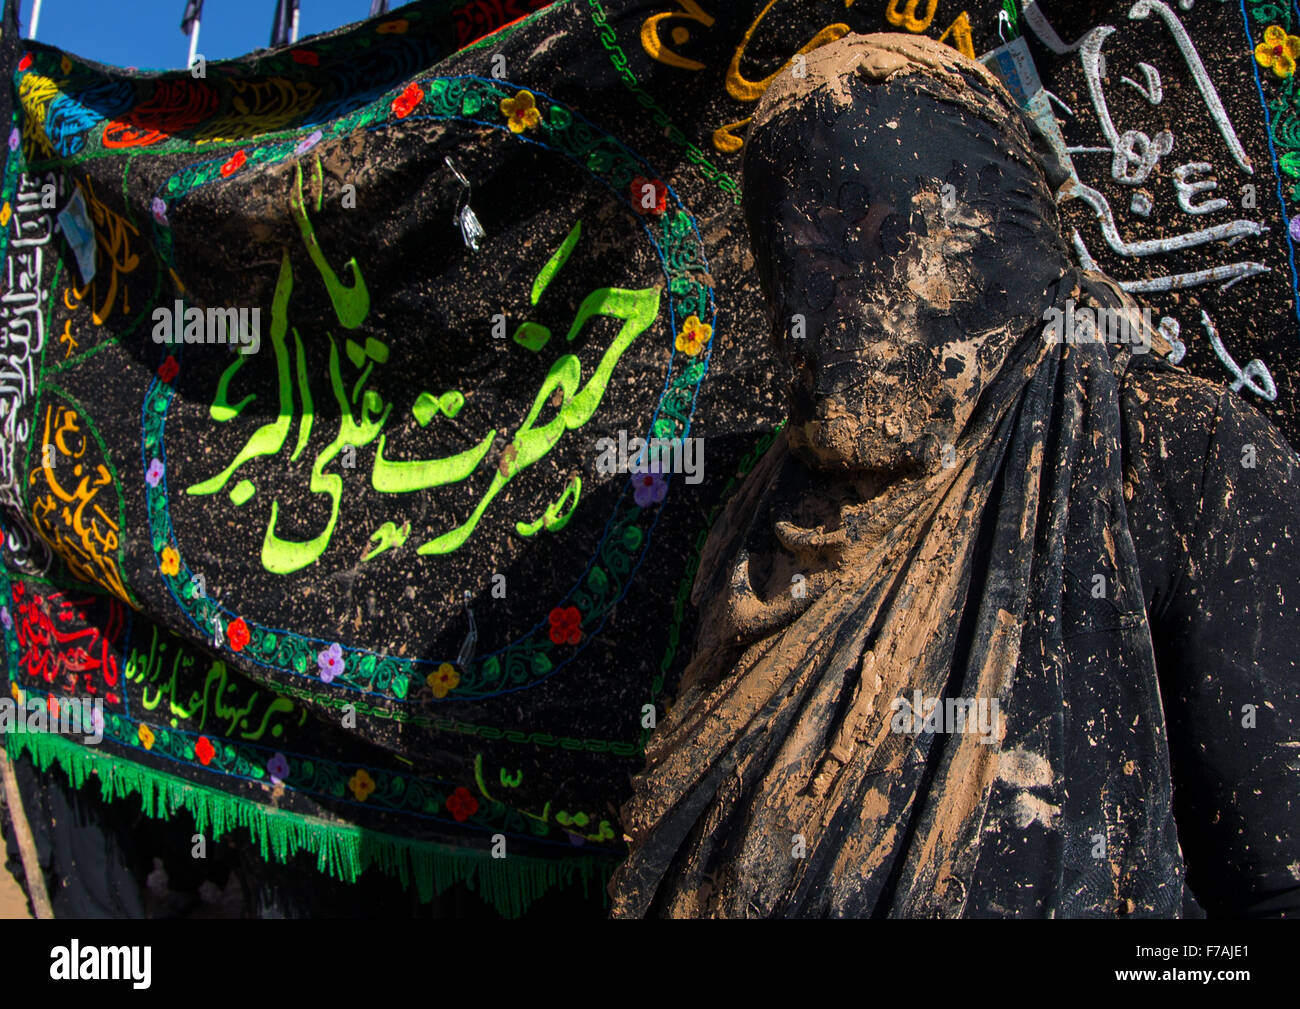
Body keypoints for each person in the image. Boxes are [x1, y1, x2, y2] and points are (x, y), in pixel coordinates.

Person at [609, 33, 1300, 918]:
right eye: (797, 250)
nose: (823, 291)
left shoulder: (1172, 453)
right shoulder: (754, 522)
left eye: (873, 229)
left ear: (990, 224)